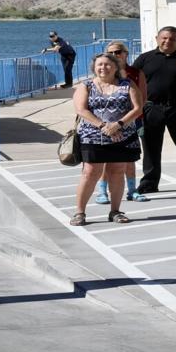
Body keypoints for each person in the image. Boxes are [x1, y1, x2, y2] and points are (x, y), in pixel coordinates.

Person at [69, 52, 144, 226]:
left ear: (116, 67)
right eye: (100, 65)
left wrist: (118, 124)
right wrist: (104, 126)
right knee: (90, 173)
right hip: (92, 136)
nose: (103, 68)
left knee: (117, 171)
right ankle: (80, 212)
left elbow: (138, 108)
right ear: (94, 68)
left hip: (122, 136)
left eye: (108, 64)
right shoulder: (86, 85)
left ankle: (115, 211)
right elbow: (81, 110)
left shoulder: (127, 84)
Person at [131, 26, 176, 195]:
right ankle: (149, 182)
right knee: (150, 146)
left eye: (172, 39)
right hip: (151, 108)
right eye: (164, 38)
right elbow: (132, 81)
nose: (167, 41)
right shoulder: (145, 59)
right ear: (157, 38)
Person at [94, 40, 146, 205]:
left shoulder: (136, 73)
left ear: (125, 54)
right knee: (105, 159)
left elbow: (142, 99)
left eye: (118, 52)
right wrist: (107, 124)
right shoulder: (100, 74)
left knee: (129, 159)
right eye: (111, 53)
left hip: (130, 122)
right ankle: (102, 191)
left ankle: (132, 190)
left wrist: (124, 120)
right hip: (104, 125)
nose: (115, 55)